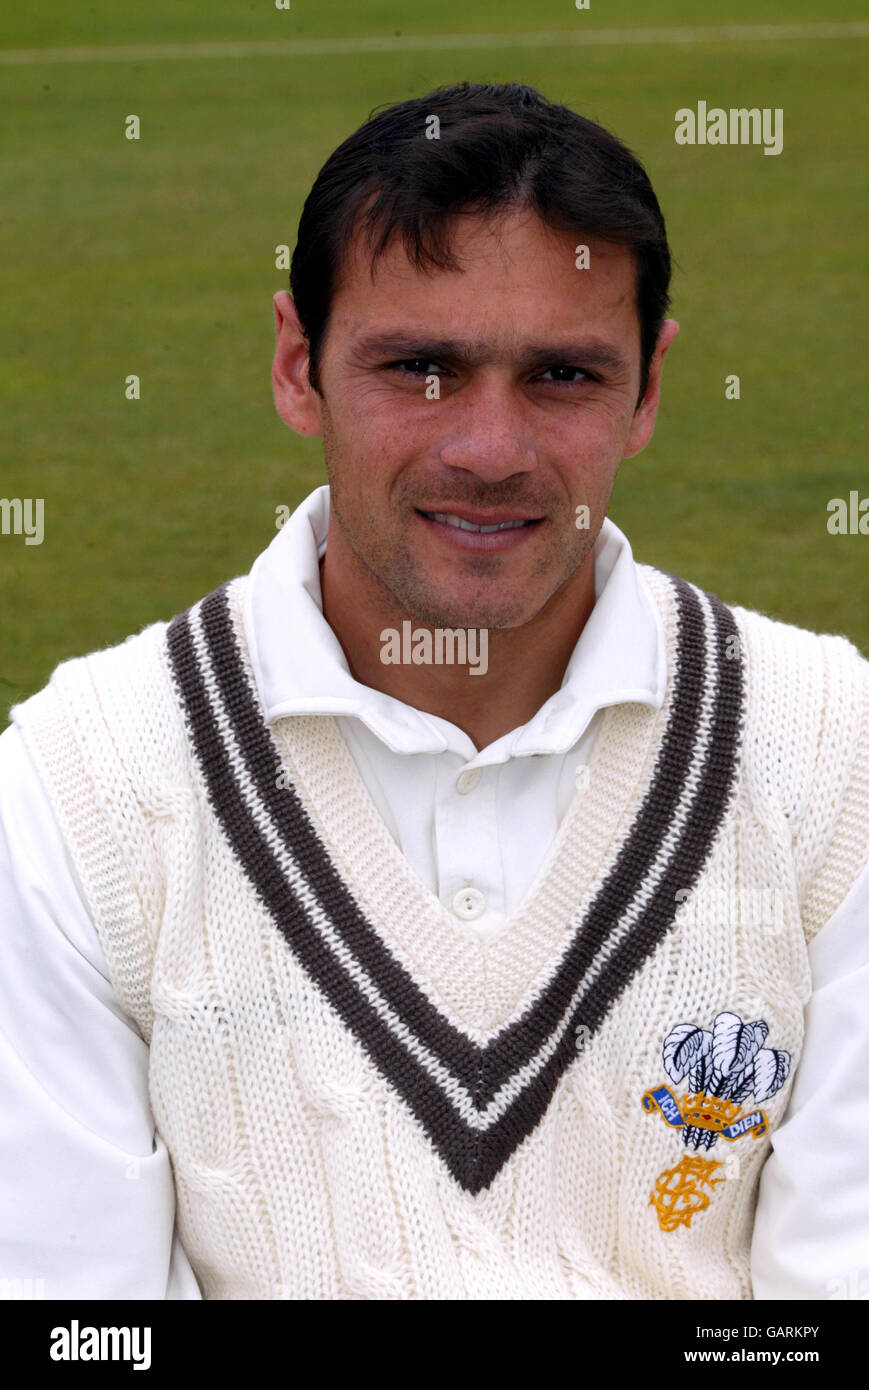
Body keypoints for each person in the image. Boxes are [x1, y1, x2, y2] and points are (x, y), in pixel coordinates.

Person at [1, 82, 867, 1302]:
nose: (488, 448)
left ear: (649, 391)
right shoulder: (75, 786)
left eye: (562, 374)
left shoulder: (832, 748)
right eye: (419, 367)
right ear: (296, 366)